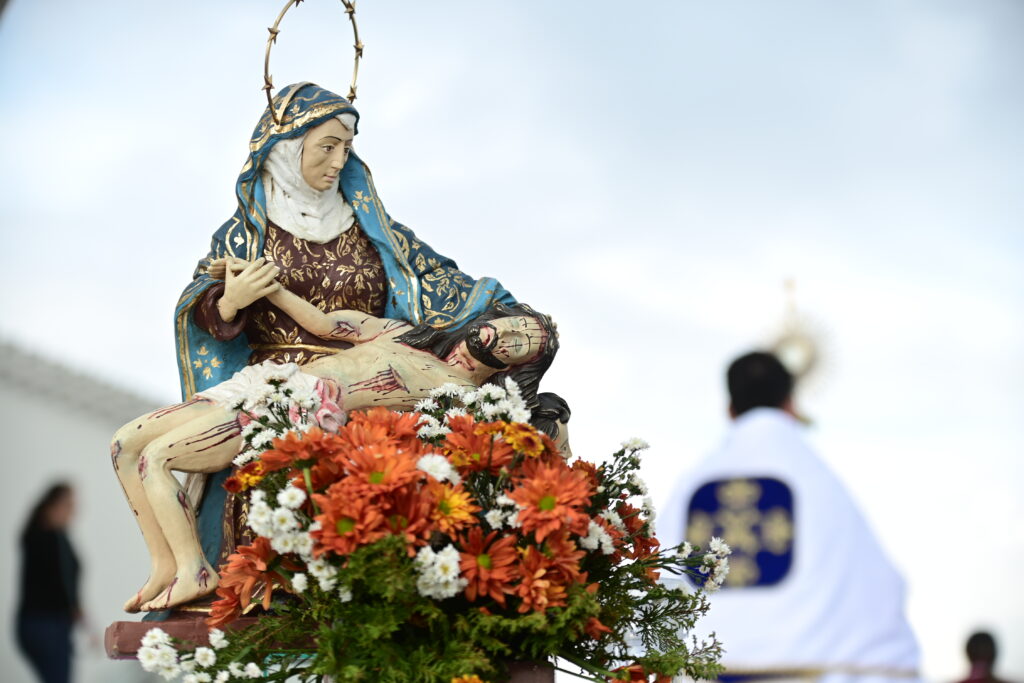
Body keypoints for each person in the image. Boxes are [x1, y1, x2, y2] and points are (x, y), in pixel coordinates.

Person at [172, 82, 520, 583]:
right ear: (289, 149)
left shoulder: (374, 229)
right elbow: (201, 305)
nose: (338, 161)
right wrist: (230, 301)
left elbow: (442, 284)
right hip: (280, 397)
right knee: (279, 524)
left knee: (380, 524)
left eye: (347, 147)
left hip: (372, 390)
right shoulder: (245, 232)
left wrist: (512, 317)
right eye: (326, 146)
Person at [114, 281, 558, 612]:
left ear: (518, 366)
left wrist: (552, 419)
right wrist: (270, 286)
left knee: (159, 457)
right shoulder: (404, 334)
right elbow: (326, 325)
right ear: (497, 316)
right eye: (515, 325)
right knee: (124, 446)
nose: (509, 336)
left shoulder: (460, 396)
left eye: (522, 345)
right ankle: (164, 566)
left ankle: (195, 570)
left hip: (294, 409)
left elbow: (507, 434)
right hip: (270, 380)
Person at [659, 352, 920, 683]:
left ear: (730, 410)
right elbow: (875, 593)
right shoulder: (820, 483)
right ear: (790, 404)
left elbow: (659, 585)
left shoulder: (691, 485)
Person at [16, 482, 80, 683]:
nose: (73, 510)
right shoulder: (46, 537)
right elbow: (60, 580)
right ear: (54, 505)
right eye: (69, 504)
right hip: (45, 624)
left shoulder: (56, 537)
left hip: (47, 623)